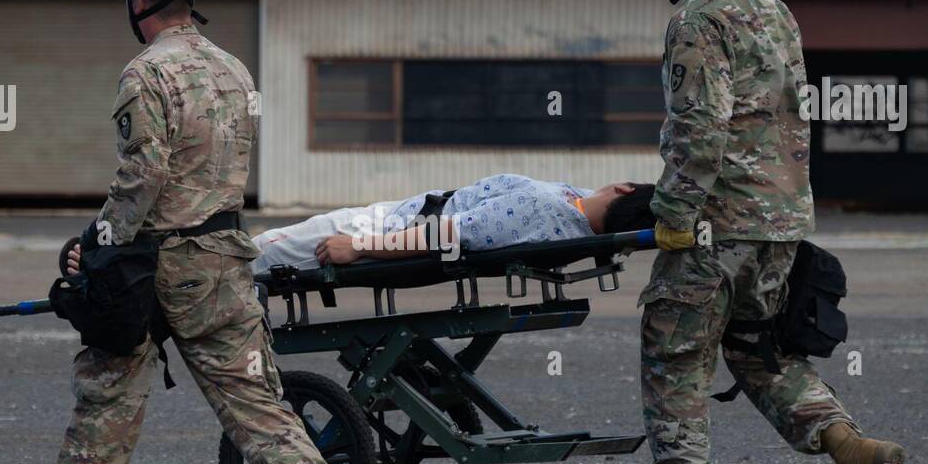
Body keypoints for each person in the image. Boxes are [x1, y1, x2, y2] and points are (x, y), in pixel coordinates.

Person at [0, 0, 355, 464]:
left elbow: (144, 178)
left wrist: (96, 245)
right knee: (248, 388)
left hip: (159, 262)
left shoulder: (147, 72)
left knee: (110, 380)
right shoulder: (233, 69)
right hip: (226, 255)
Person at [613, 0, 905, 464]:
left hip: (715, 224)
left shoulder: (698, 16)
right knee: (755, 350)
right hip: (779, 224)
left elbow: (700, 127)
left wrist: (675, 218)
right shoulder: (774, 11)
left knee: (674, 357)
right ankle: (854, 451)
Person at [252, 175, 657, 273]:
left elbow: (447, 234)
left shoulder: (541, 209)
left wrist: (359, 245)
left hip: (386, 229)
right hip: (396, 218)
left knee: (255, 253)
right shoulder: (574, 214)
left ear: (622, 188)